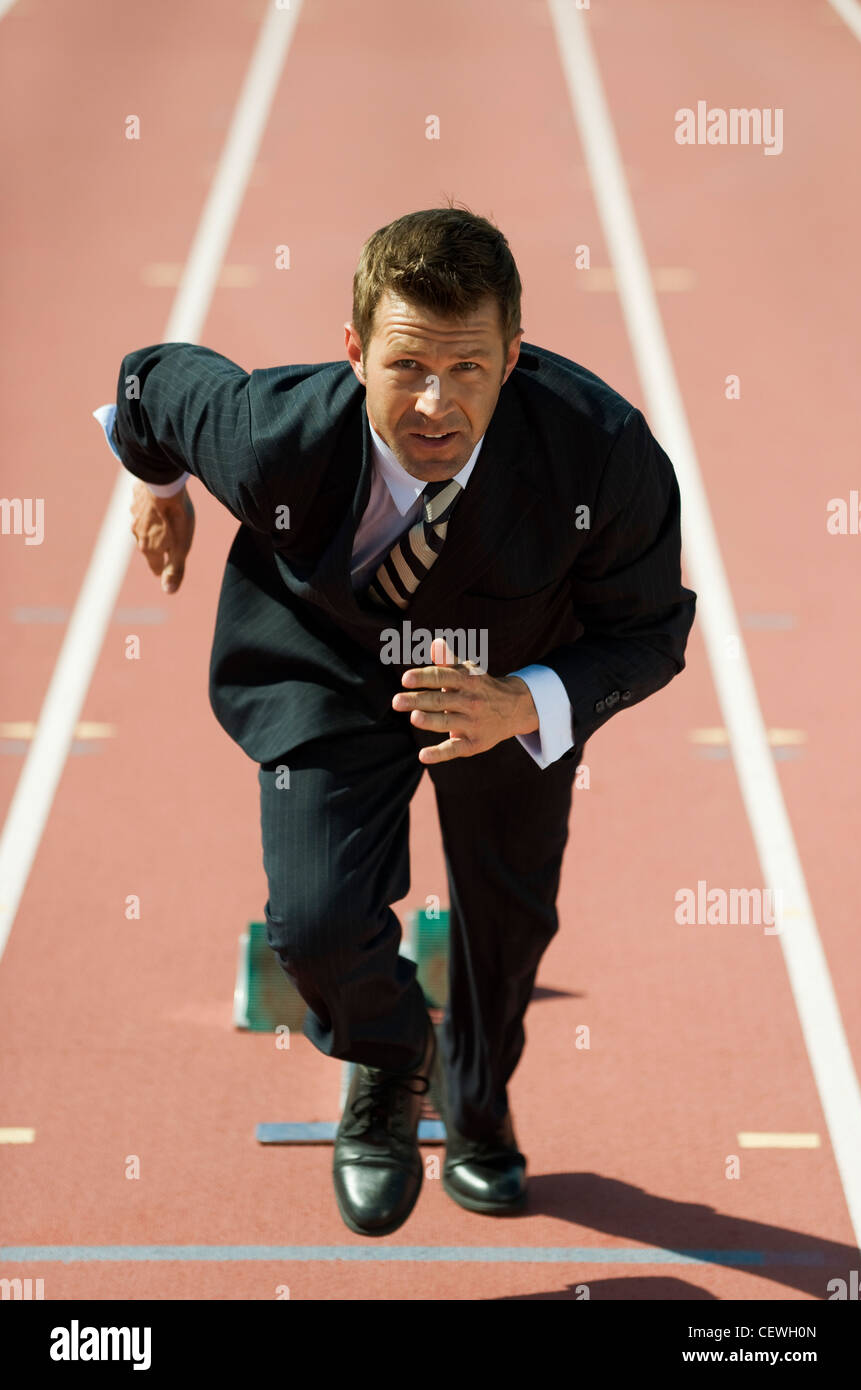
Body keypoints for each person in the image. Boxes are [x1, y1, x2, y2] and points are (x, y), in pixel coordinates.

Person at [93, 205, 696, 1239]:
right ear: (353, 350)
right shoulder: (272, 435)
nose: (434, 403)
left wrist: (529, 702)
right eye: (406, 365)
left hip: (502, 681)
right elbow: (149, 381)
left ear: (513, 356)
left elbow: (653, 631)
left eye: (468, 369)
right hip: (328, 667)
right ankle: (386, 1059)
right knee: (317, 923)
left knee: (508, 924)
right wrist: (159, 484)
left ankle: (479, 1104)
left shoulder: (600, 455)